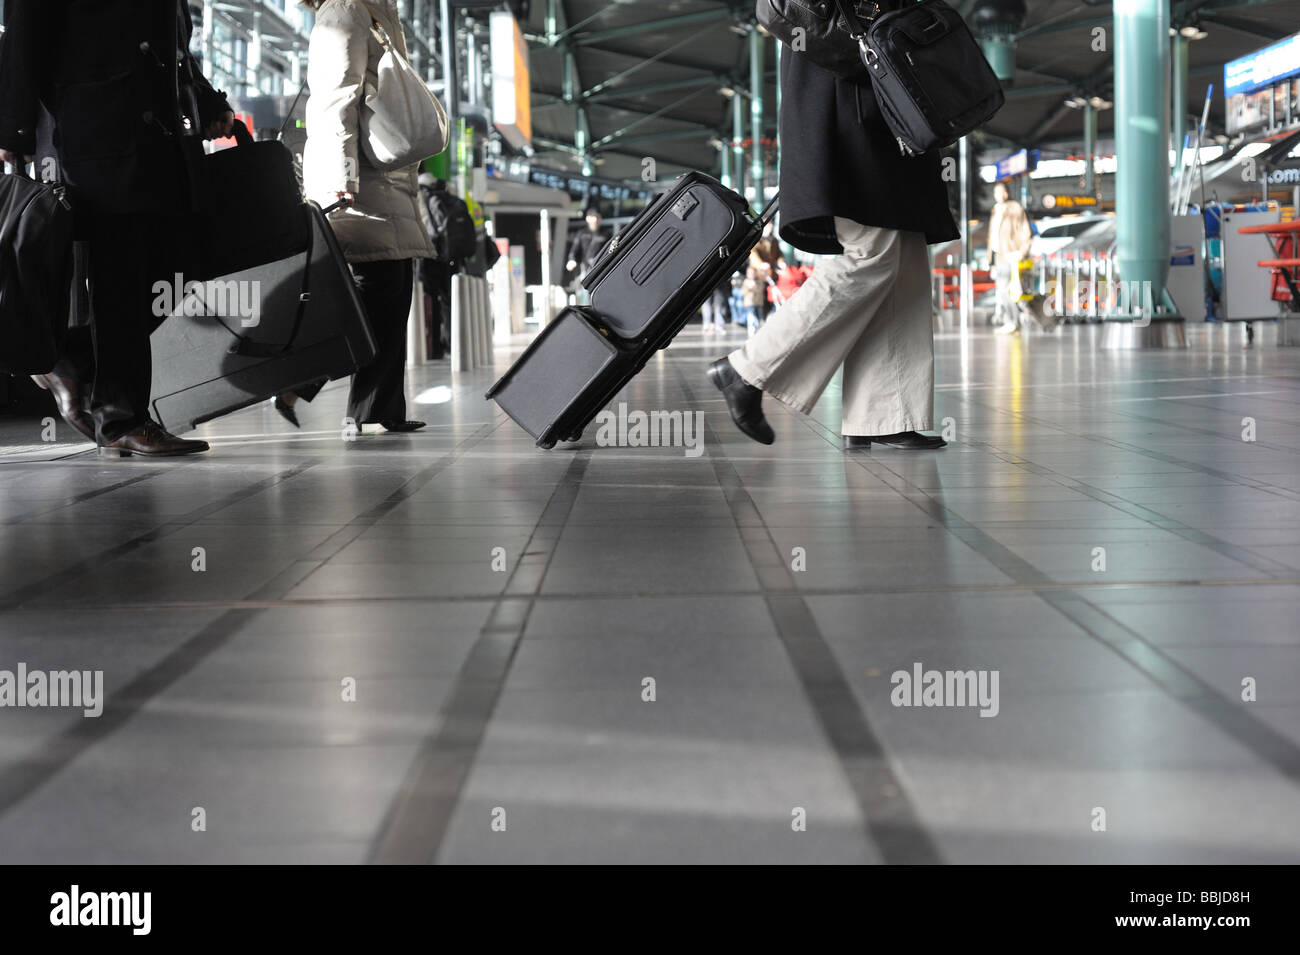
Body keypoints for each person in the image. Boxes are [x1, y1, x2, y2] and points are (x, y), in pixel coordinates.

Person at [0, 0, 234, 456]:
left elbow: (174, 45)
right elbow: (25, 27)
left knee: (178, 263)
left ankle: (73, 361)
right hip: (94, 128)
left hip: (157, 138)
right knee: (122, 273)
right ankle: (122, 417)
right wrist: (13, 128)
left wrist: (204, 97)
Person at [707, 47, 957, 451]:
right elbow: (830, 33)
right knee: (870, 252)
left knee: (902, 260)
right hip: (854, 120)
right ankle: (748, 368)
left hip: (874, 116)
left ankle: (883, 415)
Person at [292, 0, 433, 433]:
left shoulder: (377, 10)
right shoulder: (346, 9)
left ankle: (377, 407)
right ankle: (301, 381)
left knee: (390, 294)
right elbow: (335, 97)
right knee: (375, 295)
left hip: (386, 179)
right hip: (360, 182)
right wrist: (342, 176)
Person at [987, 181, 1033, 335]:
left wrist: (1021, 251)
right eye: (996, 192)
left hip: (1009, 254)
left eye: (1001, 191)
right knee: (1003, 291)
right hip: (998, 255)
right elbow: (992, 236)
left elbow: (1026, 231)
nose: (999, 195)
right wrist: (991, 260)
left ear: (1007, 192)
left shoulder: (1015, 208)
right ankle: (1012, 321)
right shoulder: (995, 210)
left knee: (1006, 290)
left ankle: (1013, 321)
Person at [565, 207, 607, 294]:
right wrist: (571, 260)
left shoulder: (605, 234)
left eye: (597, 217)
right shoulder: (582, 233)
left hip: (600, 269)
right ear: (588, 219)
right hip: (584, 269)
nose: (595, 219)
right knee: (583, 293)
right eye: (593, 217)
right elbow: (574, 250)